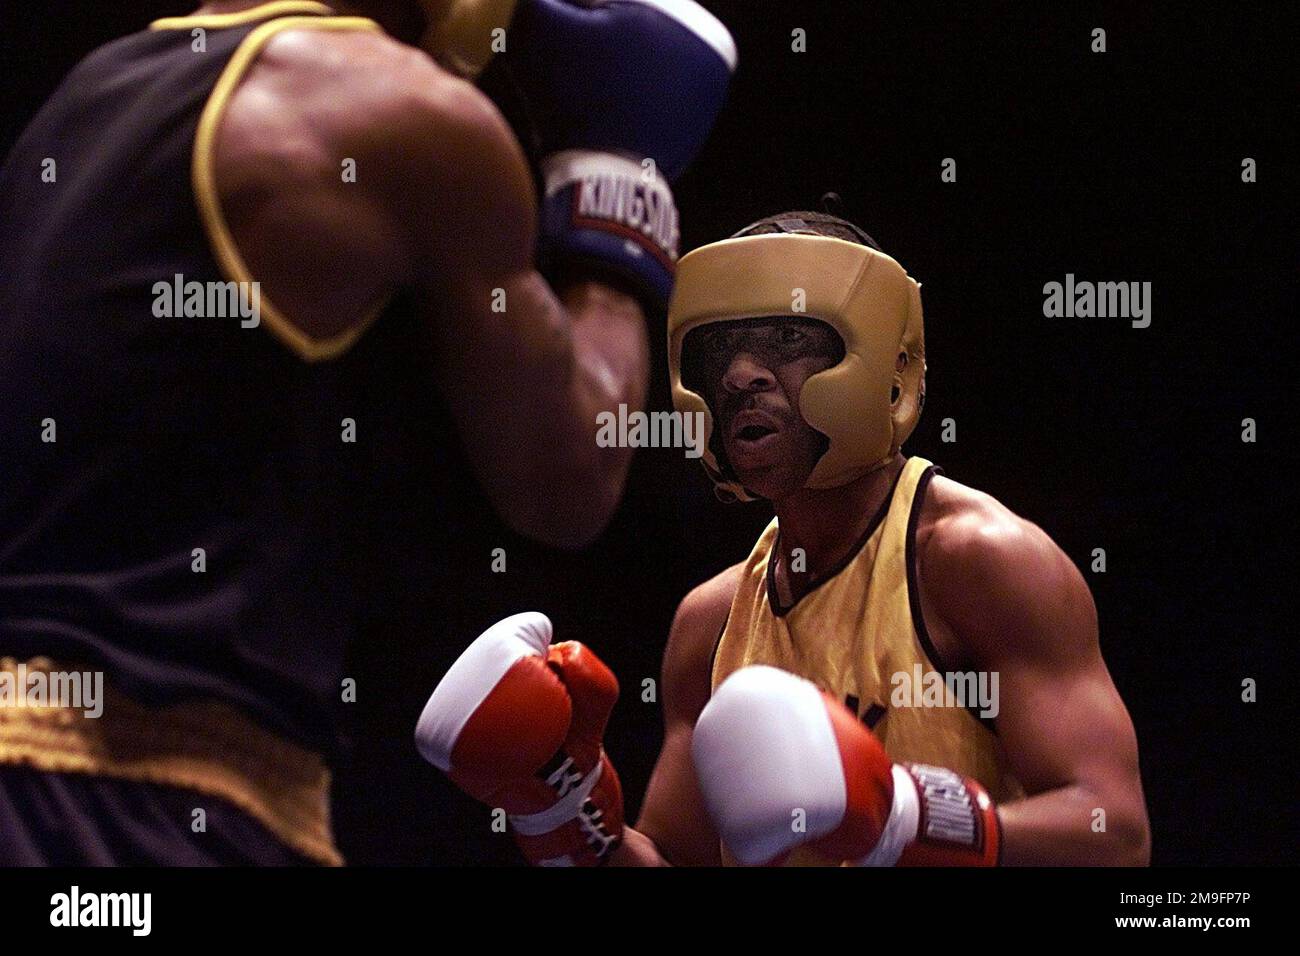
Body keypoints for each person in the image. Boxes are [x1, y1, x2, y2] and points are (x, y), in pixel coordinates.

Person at [0, 0, 735, 864]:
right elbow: (570, 475)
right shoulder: (400, 114)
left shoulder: (84, 96)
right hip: (140, 795)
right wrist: (619, 174)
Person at [418, 211, 1151, 866]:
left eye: (789, 338)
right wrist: (561, 808)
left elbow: (1115, 834)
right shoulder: (708, 624)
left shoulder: (977, 561)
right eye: (721, 350)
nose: (740, 375)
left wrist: (900, 815)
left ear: (889, 370)